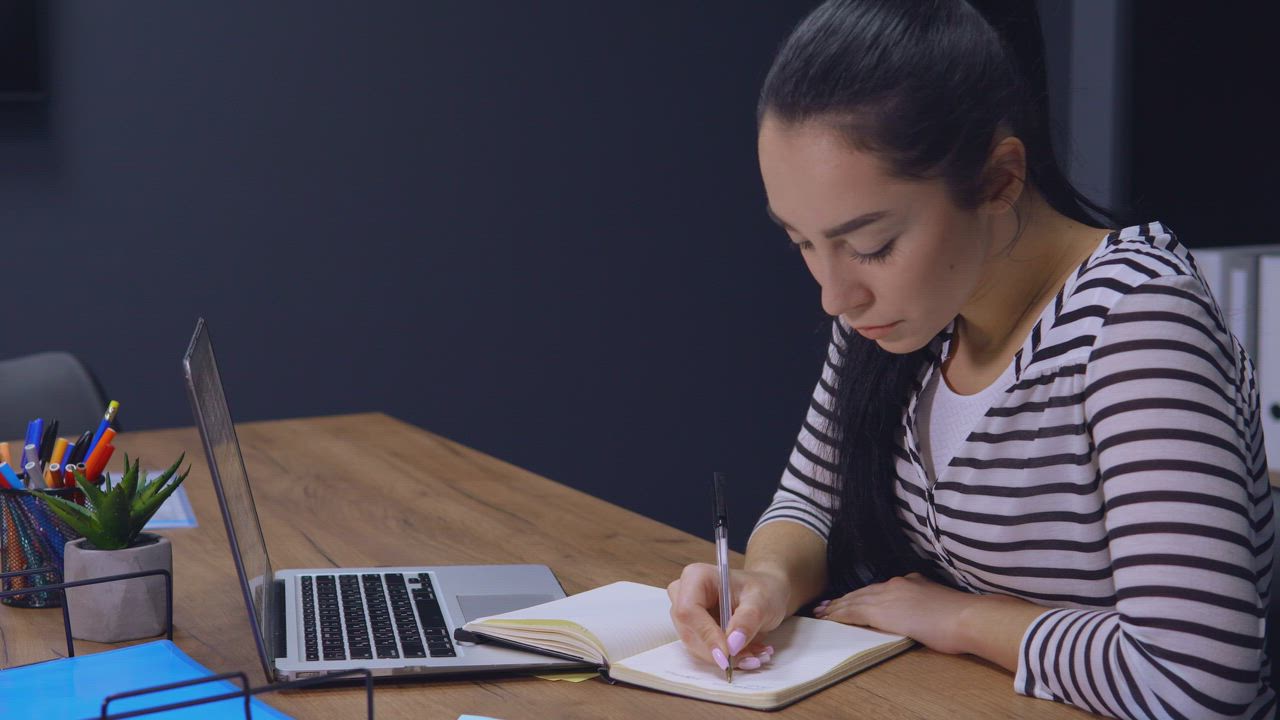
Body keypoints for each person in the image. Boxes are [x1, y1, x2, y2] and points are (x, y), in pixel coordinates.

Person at [666, 1, 1275, 718]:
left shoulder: (1136, 325)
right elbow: (810, 502)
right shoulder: (898, 315)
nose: (835, 296)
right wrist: (766, 582)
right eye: (803, 242)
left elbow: (1200, 682)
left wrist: (958, 617)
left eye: (870, 246)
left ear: (998, 178)